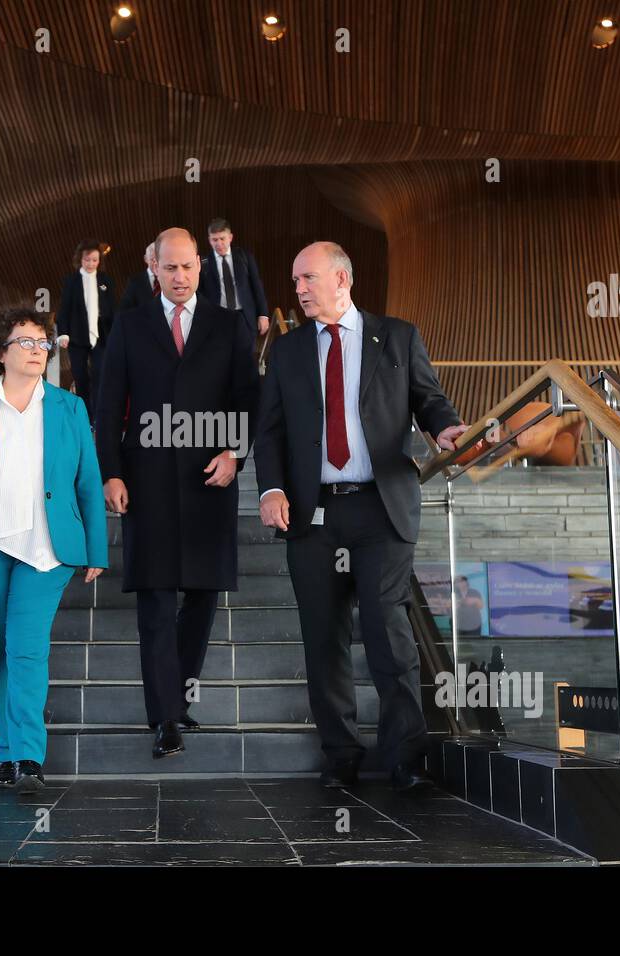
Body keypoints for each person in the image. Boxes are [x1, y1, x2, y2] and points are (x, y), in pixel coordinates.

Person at [254, 241, 469, 795]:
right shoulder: (288, 350)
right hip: (313, 515)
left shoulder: (397, 336)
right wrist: (272, 488)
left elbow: (430, 398)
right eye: (295, 279)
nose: (298, 289)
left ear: (342, 278)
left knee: (388, 633)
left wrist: (445, 428)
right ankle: (341, 753)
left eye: (308, 278)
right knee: (323, 638)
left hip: (381, 507)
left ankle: (405, 756)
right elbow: (271, 430)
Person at [0, 307, 108, 794]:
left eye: (42, 342)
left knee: (26, 648)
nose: (36, 350)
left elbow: (88, 482)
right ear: (0, 353)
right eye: (25, 342)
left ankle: (27, 753)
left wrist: (96, 549)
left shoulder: (70, 408)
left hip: (46, 549)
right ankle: (7, 753)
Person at [95, 227, 258, 759]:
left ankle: (180, 694)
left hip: (211, 479)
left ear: (201, 267)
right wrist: (111, 473)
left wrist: (235, 453)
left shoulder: (229, 325)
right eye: (171, 268)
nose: (181, 277)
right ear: (155, 270)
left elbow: (246, 398)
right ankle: (165, 715)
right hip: (148, 482)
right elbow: (108, 403)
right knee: (157, 601)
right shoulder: (130, 324)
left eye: (189, 267)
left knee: (203, 597)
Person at [57, 239, 116, 423]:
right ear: (80, 260)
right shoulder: (71, 281)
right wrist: (63, 333)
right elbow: (64, 308)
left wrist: (116, 335)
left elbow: (112, 309)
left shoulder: (105, 280)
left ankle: (99, 416)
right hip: (77, 336)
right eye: (87, 260)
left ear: (99, 261)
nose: (91, 264)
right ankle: (85, 417)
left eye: (95, 260)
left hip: (101, 336)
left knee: (100, 375)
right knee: (81, 376)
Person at [198, 218, 270, 341]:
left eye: (222, 238)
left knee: (246, 354)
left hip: (244, 315)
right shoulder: (203, 263)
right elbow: (200, 293)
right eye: (215, 240)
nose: (219, 243)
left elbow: (256, 285)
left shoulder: (244, 256)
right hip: (218, 316)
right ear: (209, 240)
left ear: (230, 237)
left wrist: (263, 314)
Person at [118, 242, 160, 313]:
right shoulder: (135, 282)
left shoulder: (170, 277)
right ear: (145, 259)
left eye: (158, 259)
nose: (155, 263)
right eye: (152, 259)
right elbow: (124, 308)